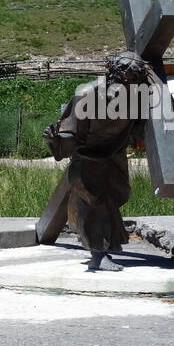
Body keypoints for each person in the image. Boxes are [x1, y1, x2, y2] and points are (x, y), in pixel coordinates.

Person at [43, 50, 153, 271]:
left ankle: (104, 247)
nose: (130, 80)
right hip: (88, 156)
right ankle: (97, 255)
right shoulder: (88, 94)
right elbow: (71, 133)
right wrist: (57, 140)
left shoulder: (139, 96)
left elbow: (141, 128)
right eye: (125, 74)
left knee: (114, 198)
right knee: (95, 201)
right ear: (112, 70)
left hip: (115, 155)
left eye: (135, 76)